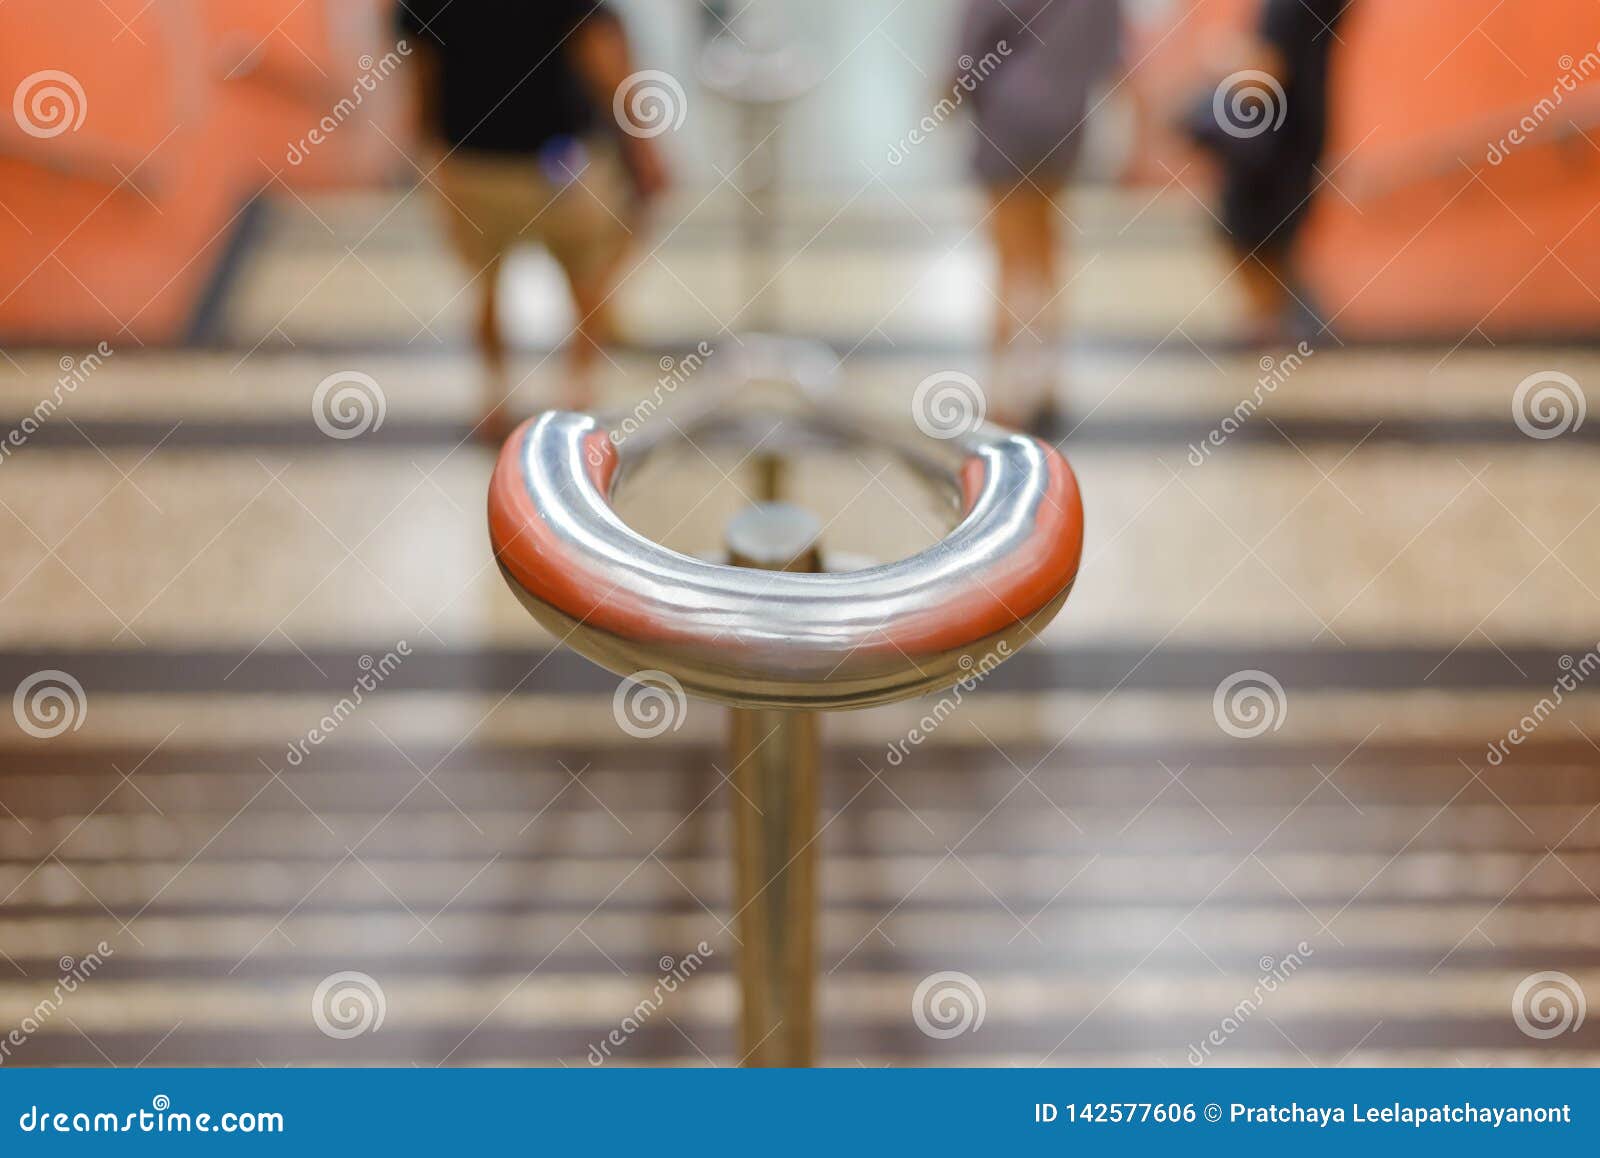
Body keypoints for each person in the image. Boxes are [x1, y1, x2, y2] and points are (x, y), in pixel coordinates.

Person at [398, 0, 668, 442]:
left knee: (484, 284)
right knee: (587, 276)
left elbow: (420, 70)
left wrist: (425, 151)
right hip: (560, 161)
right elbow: (600, 55)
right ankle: (579, 391)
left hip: (470, 161)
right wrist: (643, 144)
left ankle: (495, 395)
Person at [956, 0, 1123, 432]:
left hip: (1004, 124)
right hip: (1065, 125)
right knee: (1048, 245)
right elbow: (1110, 57)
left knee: (1008, 257)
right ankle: (1047, 378)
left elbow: (967, 51)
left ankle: (1002, 388)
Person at [1189, 0, 1351, 343]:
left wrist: (1222, 55)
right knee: (1274, 252)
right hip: (1299, 131)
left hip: (1269, 141)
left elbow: (1267, 68)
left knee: (1256, 247)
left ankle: (1281, 339)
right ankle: (1290, 335)